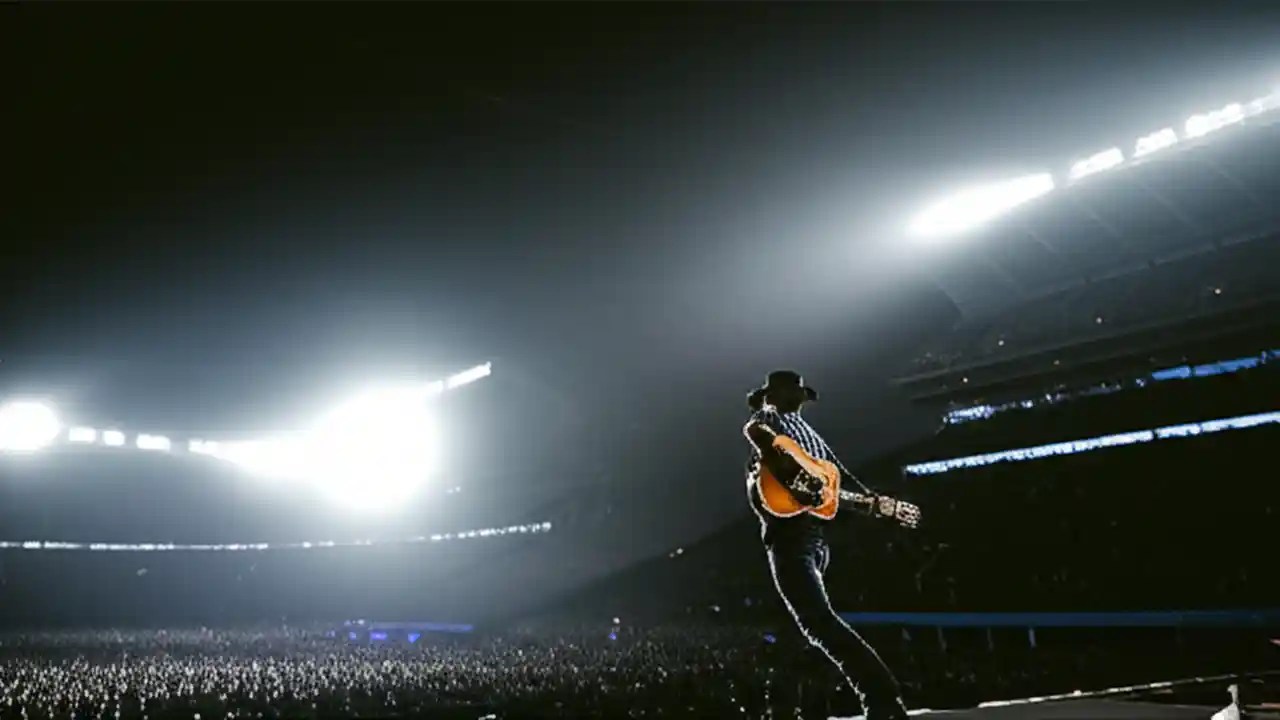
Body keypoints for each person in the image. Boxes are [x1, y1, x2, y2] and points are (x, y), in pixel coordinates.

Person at [742, 370, 910, 720]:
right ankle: (799, 707)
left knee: (816, 623)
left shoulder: (771, 419)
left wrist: (792, 477)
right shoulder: (813, 441)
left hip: (790, 536)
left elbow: (755, 429)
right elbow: (833, 491)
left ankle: (881, 698)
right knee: (800, 631)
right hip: (814, 538)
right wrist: (878, 505)